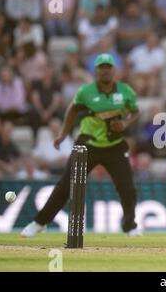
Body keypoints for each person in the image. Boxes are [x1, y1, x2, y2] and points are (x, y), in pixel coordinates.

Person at [21, 53, 141, 237]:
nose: (106, 70)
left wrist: (125, 124)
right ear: (96, 71)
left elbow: (135, 112)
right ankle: (40, 222)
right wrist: (62, 134)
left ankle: (129, 226)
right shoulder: (86, 92)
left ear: (114, 70)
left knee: (127, 188)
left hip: (114, 144)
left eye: (109, 67)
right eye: (102, 67)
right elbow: (72, 110)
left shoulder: (126, 91)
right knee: (66, 185)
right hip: (88, 144)